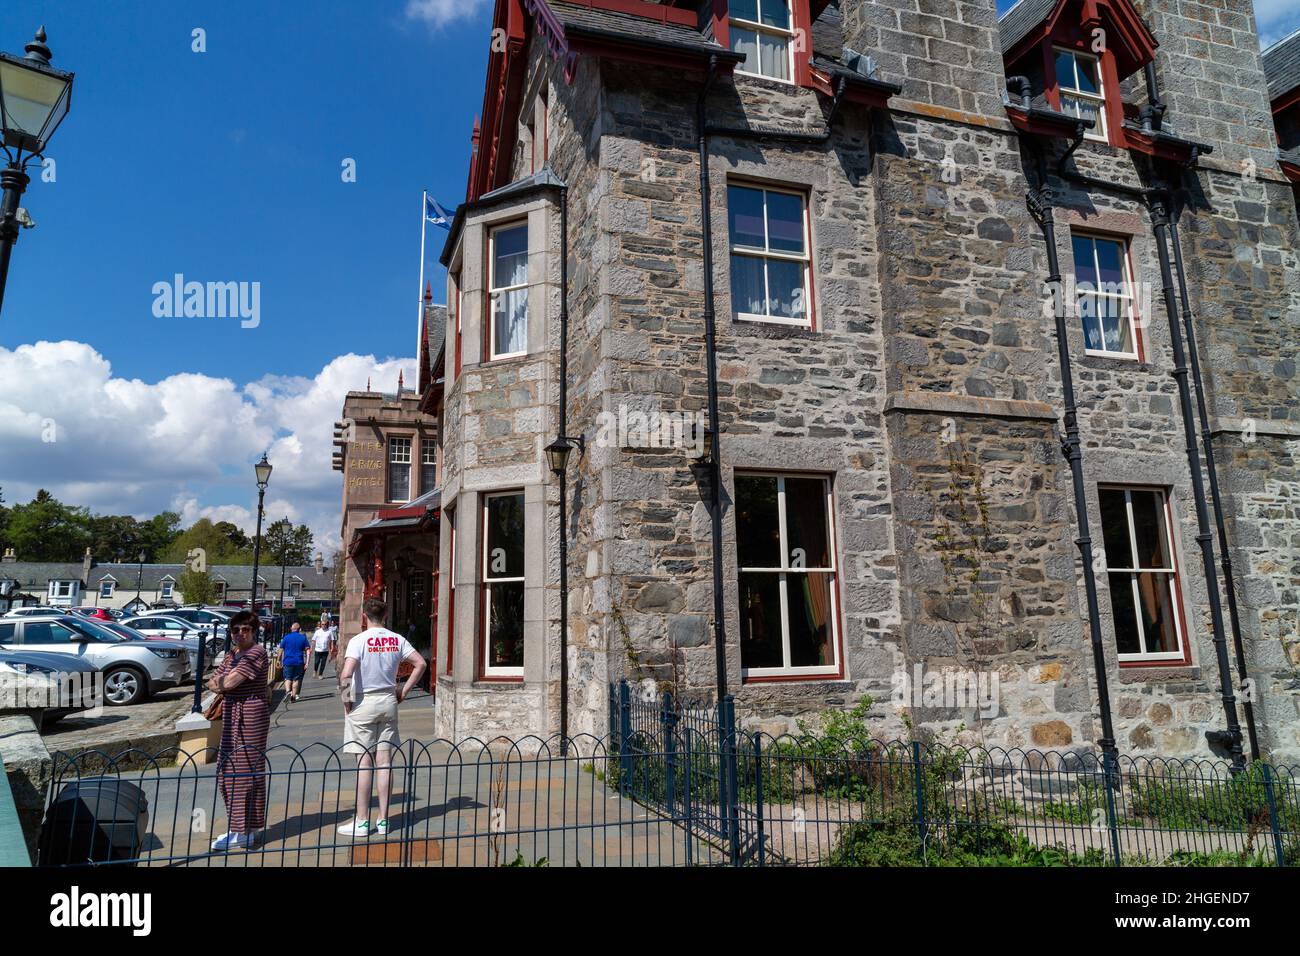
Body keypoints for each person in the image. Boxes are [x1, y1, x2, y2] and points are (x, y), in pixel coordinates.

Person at [337, 597, 426, 839]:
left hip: (363, 702)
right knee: (385, 762)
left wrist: (347, 700)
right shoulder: (396, 639)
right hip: (388, 700)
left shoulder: (358, 641)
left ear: (365, 615)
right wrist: (404, 691)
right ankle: (384, 820)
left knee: (364, 762)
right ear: (385, 615)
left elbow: (346, 673)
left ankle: (363, 821)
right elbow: (420, 663)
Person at [207, 610, 271, 852]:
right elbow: (212, 681)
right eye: (236, 630)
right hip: (233, 713)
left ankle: (243, 832)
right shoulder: (233, 653)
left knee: (244, 773)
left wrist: (222, 684)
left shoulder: (256, 652)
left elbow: (229, 683)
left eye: (246, 629)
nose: (240, 633)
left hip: (250, 717)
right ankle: (243, 828)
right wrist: (222, 683)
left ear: (254, 631)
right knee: (227, 772)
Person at [278, 621, 310, 701]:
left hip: (288, 661)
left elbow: (281, 650)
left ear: (291, 629)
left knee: (287, 678)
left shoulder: (286, 637)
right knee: (296, 679)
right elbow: (308, 651)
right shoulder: (303, 638)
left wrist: (278, 660)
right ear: (299, 629)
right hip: (299, 662)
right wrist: (307, 662)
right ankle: (293, 696)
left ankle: (288, 691)